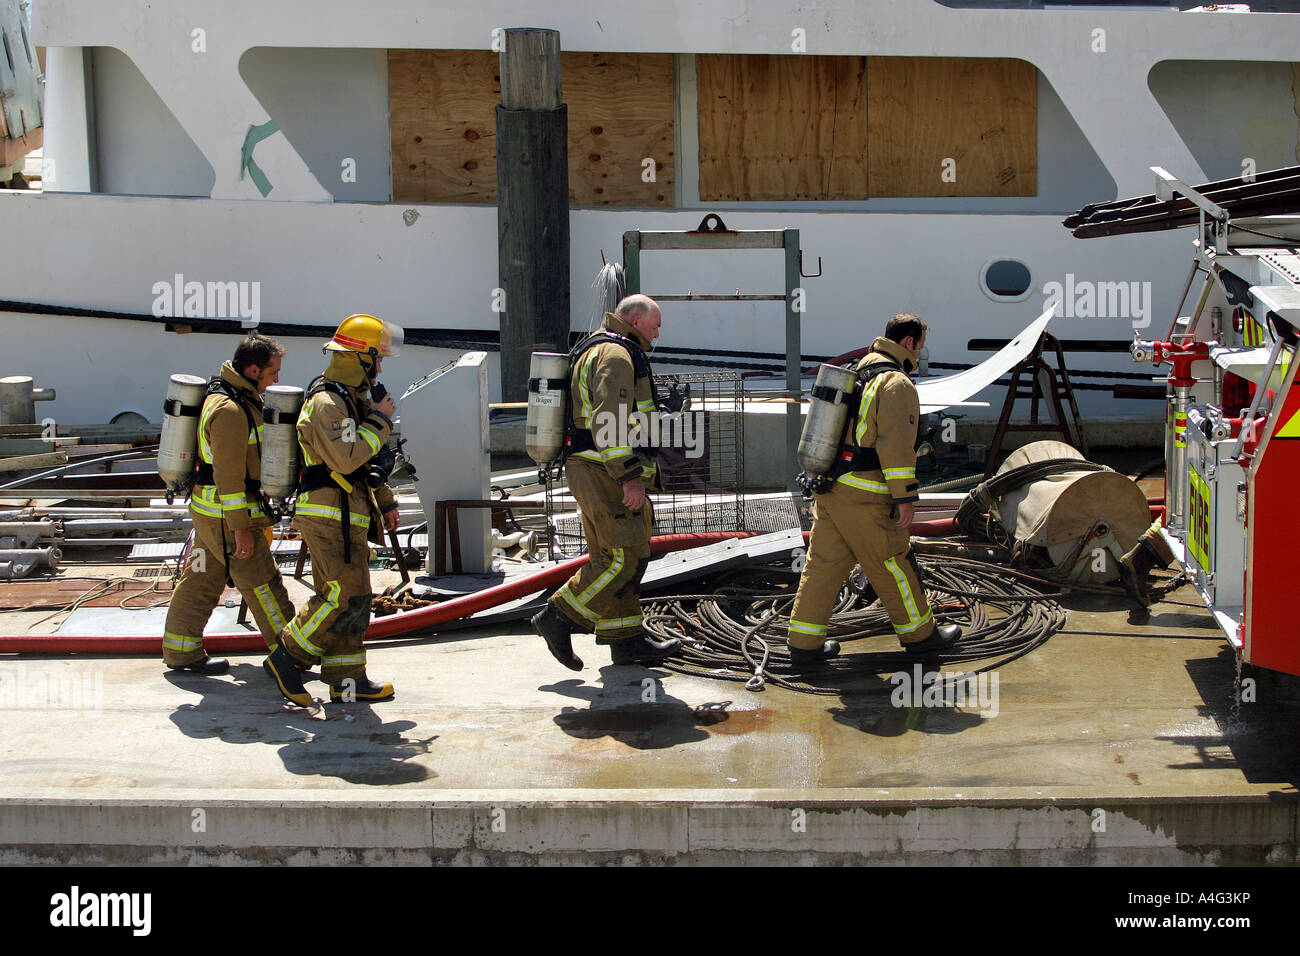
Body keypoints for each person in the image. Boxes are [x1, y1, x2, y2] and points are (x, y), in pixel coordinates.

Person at [786, 313, 962, 667]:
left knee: (823, 565)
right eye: (920, 346)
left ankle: (803, 645)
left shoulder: (858, 370)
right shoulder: (896, 383)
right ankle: (922, 639)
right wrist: (906, 497)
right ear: (909, 343)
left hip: (831, 489)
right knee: (893, 563)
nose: (919, 355)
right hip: (865, 495)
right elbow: (894, 446)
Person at [531, 294, 681, 669]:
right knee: (625, 557)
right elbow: (608, 420)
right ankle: (557, 616)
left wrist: (662, 415)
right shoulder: (616, 355)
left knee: (612, 554)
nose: (658, 332)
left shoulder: (601, 348)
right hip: (605, 471)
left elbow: (624, 415)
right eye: (655, 325)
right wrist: (630, 477)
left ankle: (625, 638)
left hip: (594, 468)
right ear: (633, 318)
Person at [264, 314, 402, 705]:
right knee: (341, 596)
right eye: (377, 360)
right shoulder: (327, 403)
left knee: (355, 599)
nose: (380, 369)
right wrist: (380, 420)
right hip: (328, 514)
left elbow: (366, 467)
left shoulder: (348, 401)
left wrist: (387, 502)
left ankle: (347, 680)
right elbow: (346, 458)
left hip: (348, 512)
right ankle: (286, 659)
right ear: (360, 359)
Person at [163, 333, 295, 674]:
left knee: (201, 579)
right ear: (252, 370)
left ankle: (181, 651)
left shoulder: (226, 396)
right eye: (272, 372)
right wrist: (241, 531)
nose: (276, 379)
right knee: (263, 584)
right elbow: (229, 478)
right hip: (227, 517)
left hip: (208, 514)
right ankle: (293, 655)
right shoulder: (231, 411)